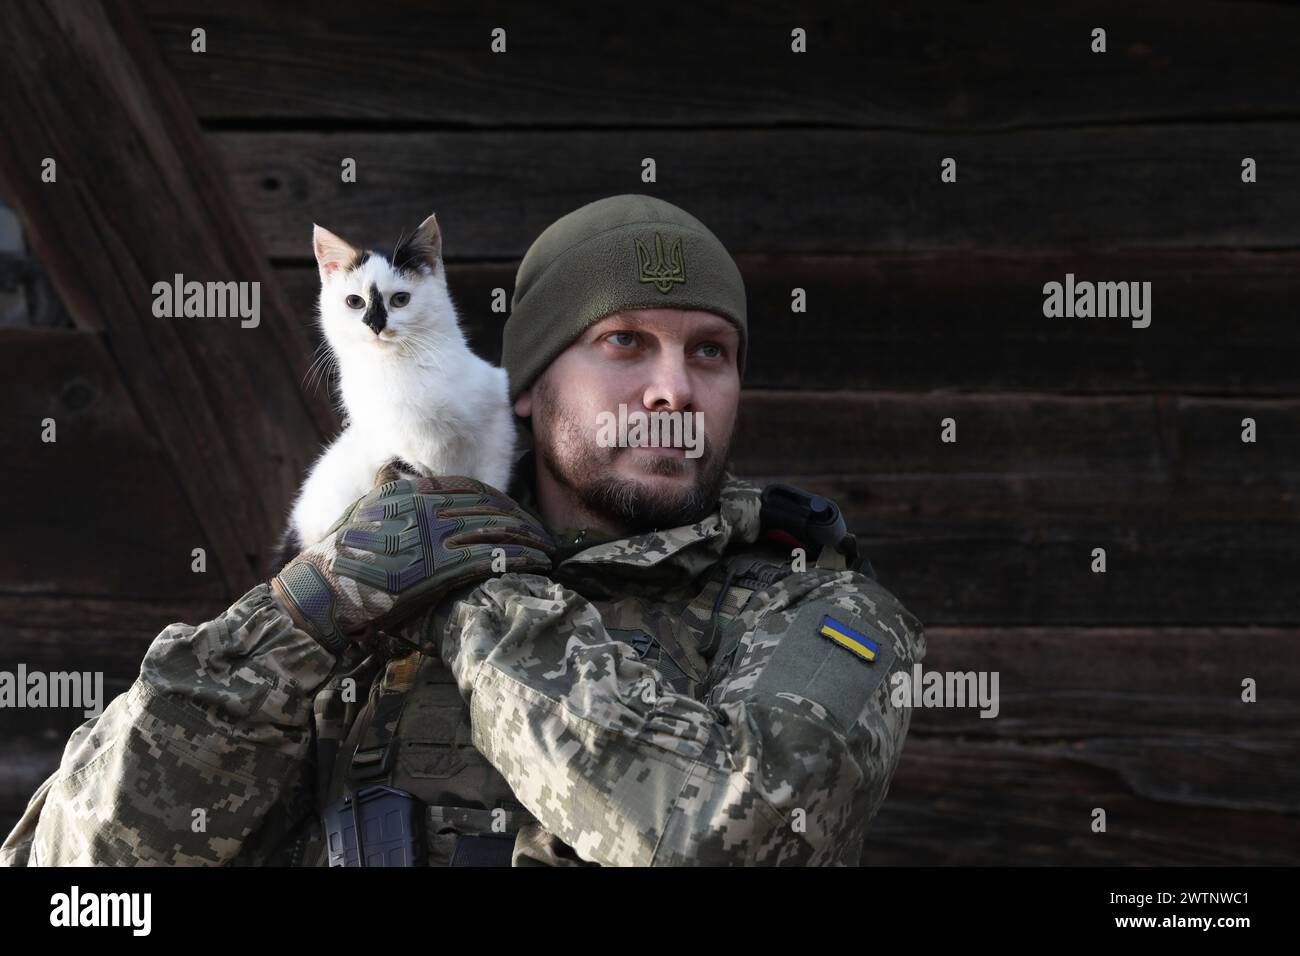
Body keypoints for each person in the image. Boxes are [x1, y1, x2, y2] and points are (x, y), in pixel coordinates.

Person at [1, 194, 926, 867]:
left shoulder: (810, 605)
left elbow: (726, 835)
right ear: (523, 384)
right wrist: (300, 616)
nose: (671, 390)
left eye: (710, 353)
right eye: (623, 342)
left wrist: (482, 589)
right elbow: (73, 872)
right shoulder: (358, 587)